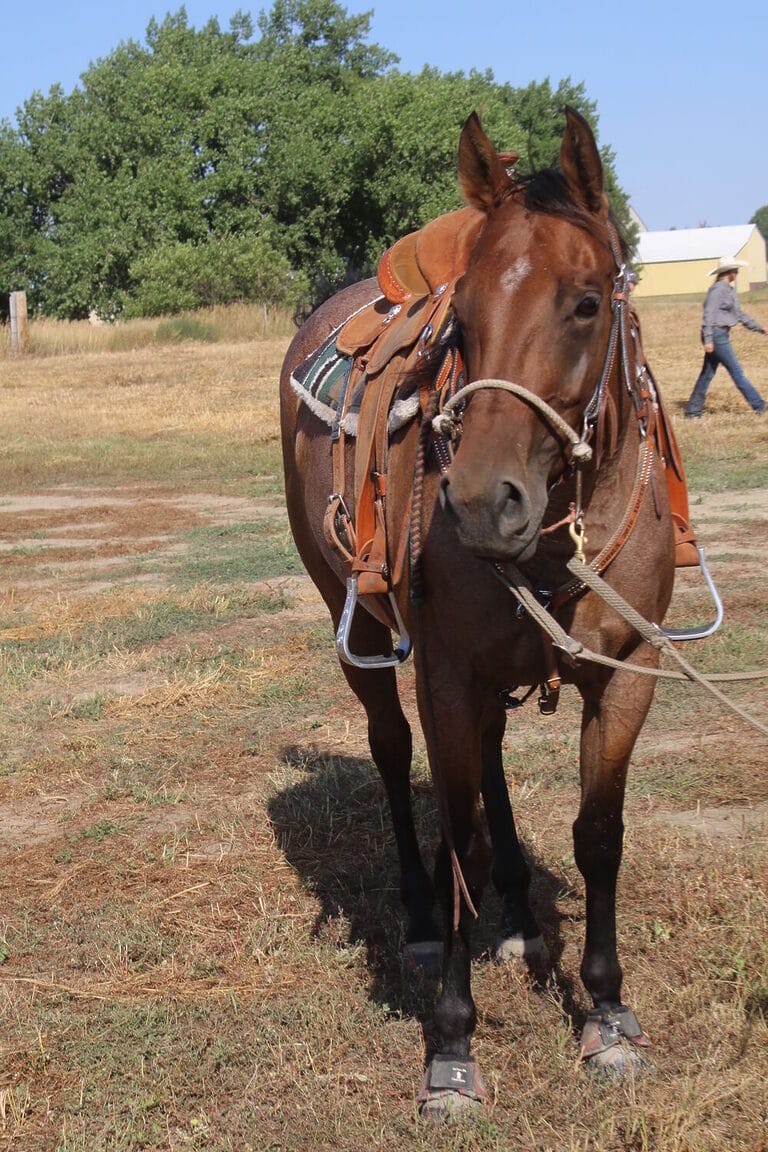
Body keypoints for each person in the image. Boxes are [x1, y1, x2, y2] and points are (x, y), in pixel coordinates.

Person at [685, 256, 767, 418]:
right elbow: (708, 315)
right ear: (729, 272)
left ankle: (693, 411)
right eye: (736, 270)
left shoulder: (727, 290)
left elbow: (739, 314)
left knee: (707, 374)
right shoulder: (718, 290)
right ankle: (759, 405)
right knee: (736, 371)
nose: (737, 273)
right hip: (716, 335)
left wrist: (760, 328)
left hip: (719, 334)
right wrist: (708, 339)